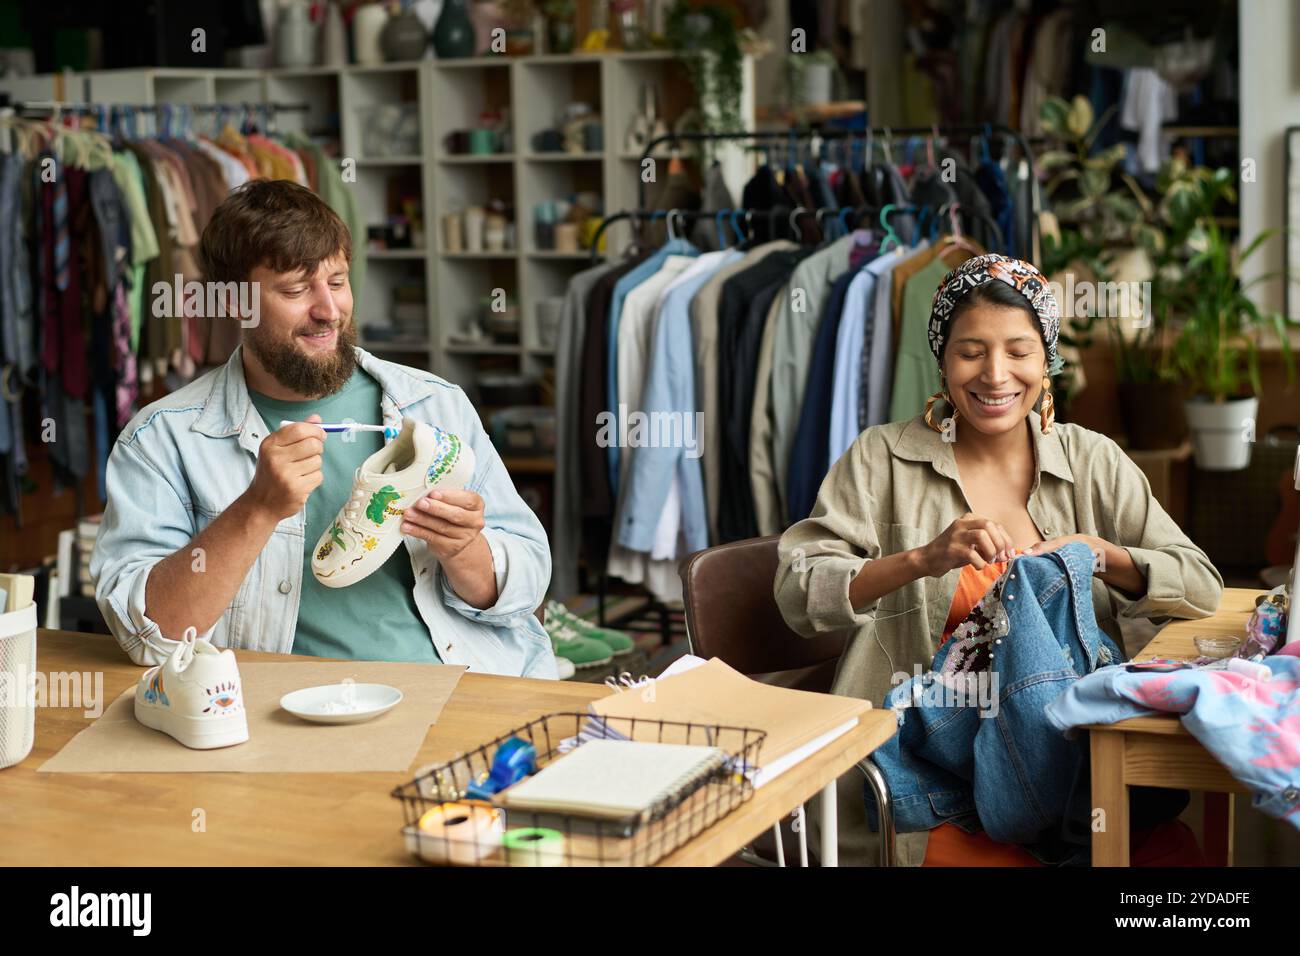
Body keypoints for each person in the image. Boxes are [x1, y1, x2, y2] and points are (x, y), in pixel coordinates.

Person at [775, 254, 1223, 866]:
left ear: (1047, 360)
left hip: (1069, 766)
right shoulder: (881, 459)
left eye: (1018, 350)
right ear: (941, 359)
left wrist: (1100, 555)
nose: (995, 374)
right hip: (918, 780)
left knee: (1177, 860)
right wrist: (922, 559)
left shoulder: (1093, 462)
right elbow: (799, 592)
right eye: (970, 351)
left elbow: (1200, 583)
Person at [92, 180, 556, 678]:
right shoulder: (162, 440)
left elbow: (527, 589)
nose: (327, 311)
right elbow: (146, 638)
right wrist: (257, 509)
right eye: (295, 289)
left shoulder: (435, 404)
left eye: (337, 282)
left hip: (461, 684)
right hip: (289, 714)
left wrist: (466, 552)